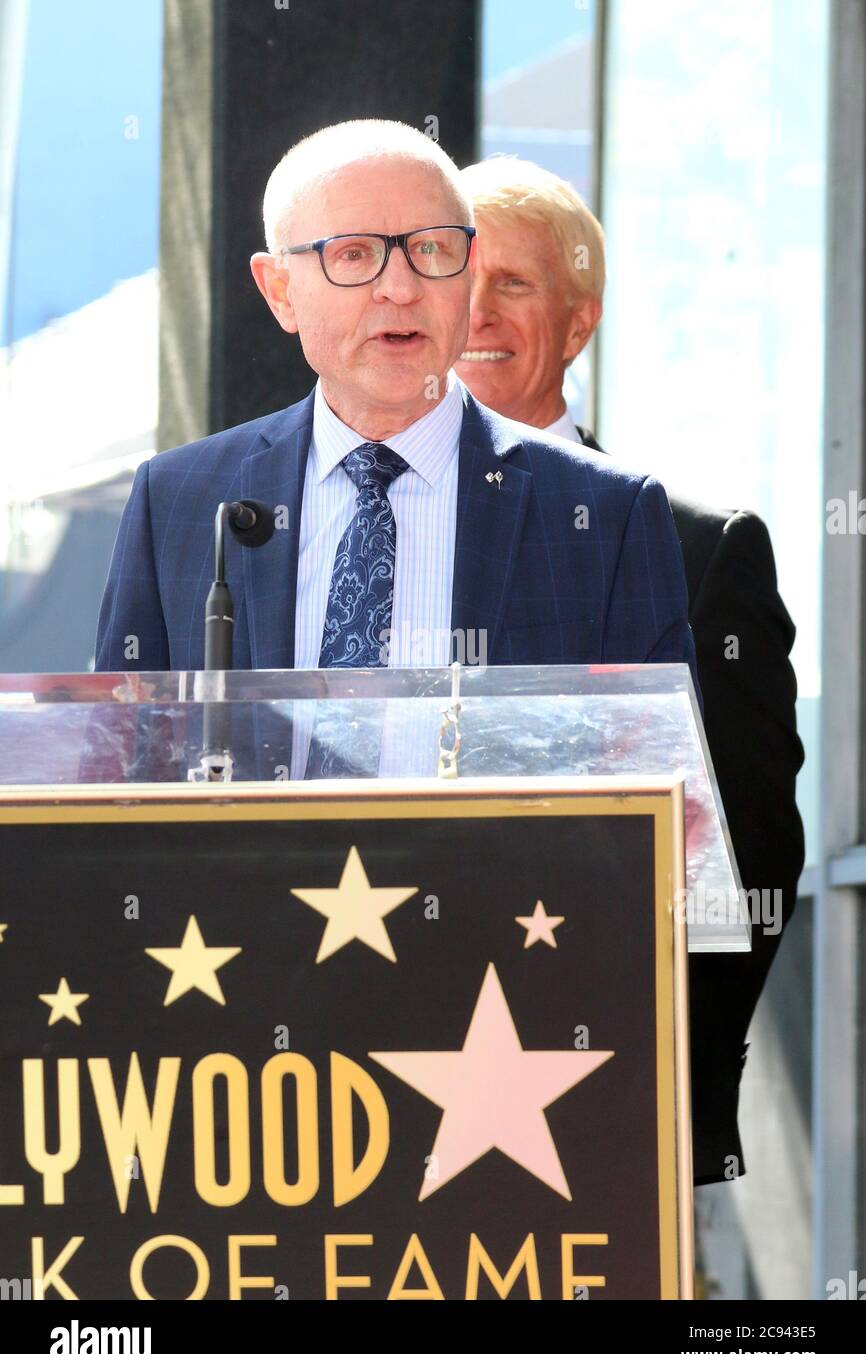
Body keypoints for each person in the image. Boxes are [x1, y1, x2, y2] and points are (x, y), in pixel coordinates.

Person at [455, 154, 806, 1186]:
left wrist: (660, 1098)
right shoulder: (337, 534)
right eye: (455, 279)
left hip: (595, 1116)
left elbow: (747, 861)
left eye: (511, 283)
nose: (475, 311)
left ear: (575, 324)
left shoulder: (696, 548)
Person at [95, 119, 697, 694]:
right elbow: (121, 767)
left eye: (431, 250)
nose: (401, 288)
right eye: (354, 254)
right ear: (280, 291)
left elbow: (651, 777)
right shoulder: (177, 500)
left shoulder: (606, 515)